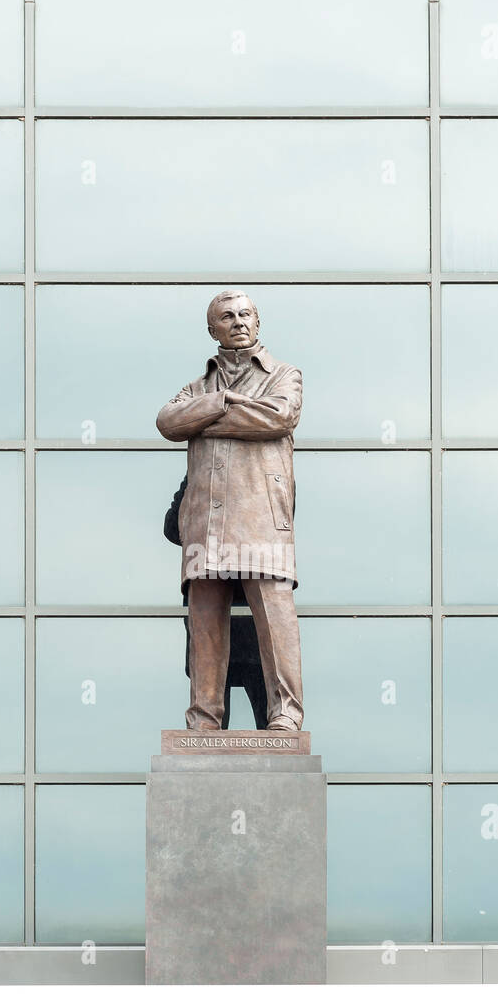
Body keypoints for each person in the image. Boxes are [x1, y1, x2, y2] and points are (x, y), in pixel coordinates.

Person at [156, 290, 304, 732]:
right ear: (212, 329)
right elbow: (168, 422)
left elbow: (279, 417)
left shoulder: (284, 374)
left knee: (276, 618)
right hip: (206, 525)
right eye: (227, 316)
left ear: (257, 323)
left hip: (261, 520)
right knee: (204, 623)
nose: (238, 321)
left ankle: (286, 713)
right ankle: (203, 719)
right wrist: (223, 402)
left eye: (245, 314)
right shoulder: (199, 387)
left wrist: (200, 419)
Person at [164, 474, 269, 730]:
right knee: (209, 724)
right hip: (212, 608)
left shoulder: (261, 471)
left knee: (268, 722)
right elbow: (172, 527)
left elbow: (274, 525)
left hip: (249, 614)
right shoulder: (200, 473)